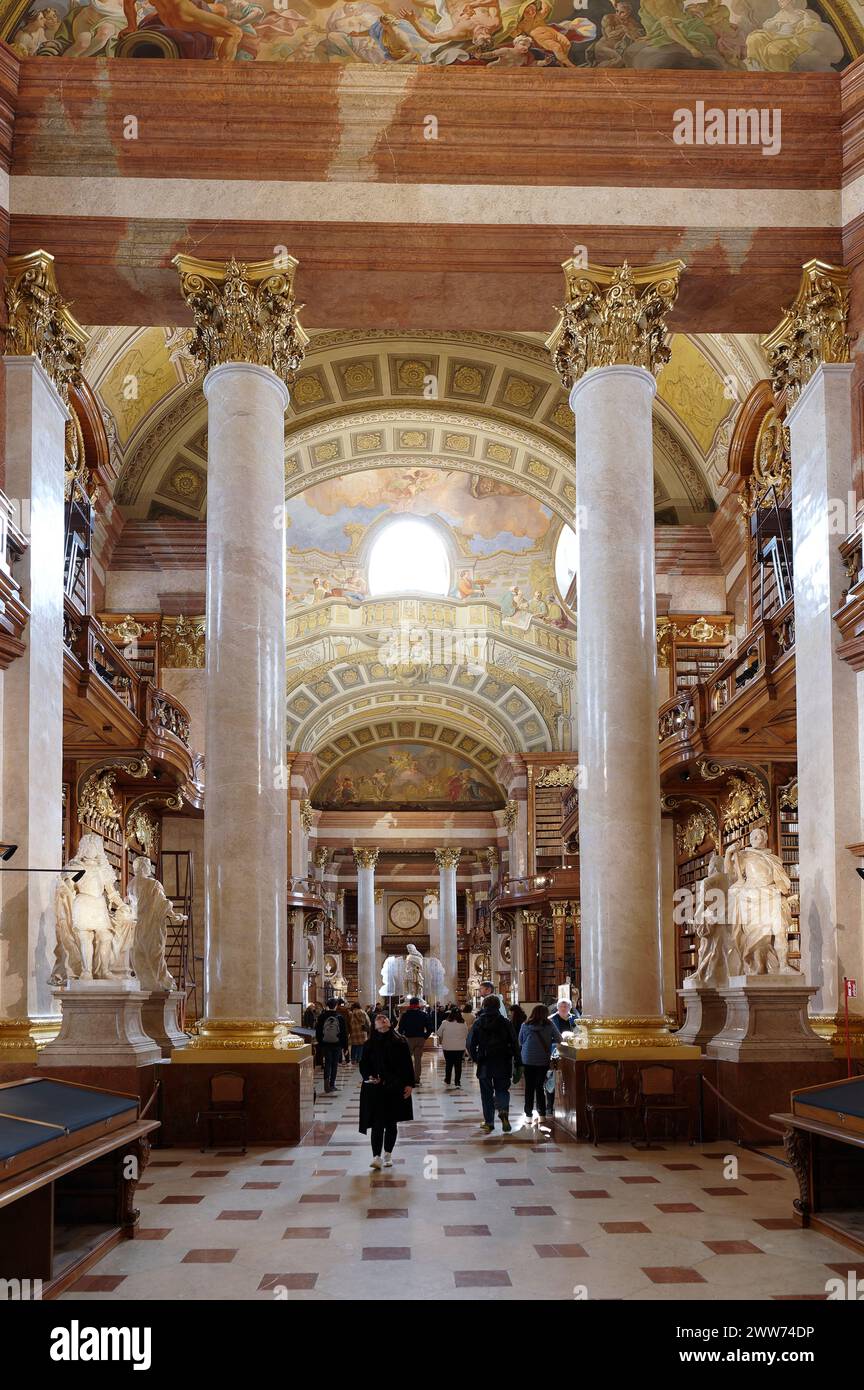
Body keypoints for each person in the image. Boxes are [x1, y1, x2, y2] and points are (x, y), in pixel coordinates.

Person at [358, 1012, 415, 1170]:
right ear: (374, 1025)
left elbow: (407, 1065)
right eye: (378, 1019)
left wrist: (409, 1084)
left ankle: (388, 1154)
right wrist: (369, 1076)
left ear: (389, 1023)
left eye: (384, 1018)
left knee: (391, 1123)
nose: (382, 1020)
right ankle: (376, 1156)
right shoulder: (369, 1044)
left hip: (395, 1087)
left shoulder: (400, 1041)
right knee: (377, 1124)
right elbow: (364, 1064)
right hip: (375, 1088)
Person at [467, 995, 519, 1134]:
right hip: (503, 1061)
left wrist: (476, 1058)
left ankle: (489, 1122)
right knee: (502, 1090)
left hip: (485, 1061)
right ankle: (503, 1111)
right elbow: (514, 1043)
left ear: (484, 1006)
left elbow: (470, 1043)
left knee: (486, 1093)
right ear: (498, 1006)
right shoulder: (506, 1022)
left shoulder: (478, 1023)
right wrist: (518, 1062)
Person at [518, 1004, 557, 1123]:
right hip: (542, 1060)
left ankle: (528, 1115)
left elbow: (520, 1041)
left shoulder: (525, 1025)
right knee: (540, 1087)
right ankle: (542, 1115)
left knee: (529, 1087)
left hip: (528, 1060)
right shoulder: (550, 1025)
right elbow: (559, 1038)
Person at [396, 996, 433, 1086]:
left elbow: (400, 1029)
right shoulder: (423, 1015)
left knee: (407, 1060)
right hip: (420, 1039)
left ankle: (407, 1078)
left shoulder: (405, 1015)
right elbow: (430, 1028)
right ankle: (416, 1079)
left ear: (410, 1004)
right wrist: (424, 1036)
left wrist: (403, 1035)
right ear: (418, 1004)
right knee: (418, 1060)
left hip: (409, 1039)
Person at [315, 999, 348, 1093]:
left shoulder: (322, 1016)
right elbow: (343, 1033)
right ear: (336, 1005)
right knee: (334, 1064)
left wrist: (320, 1043)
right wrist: (345, 1047)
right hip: (337, 1044)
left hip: (325, 1044)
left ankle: (326, 1084)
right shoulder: (340, 1017)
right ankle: (332, 1085)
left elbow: (318, 1031)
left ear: (327, 1005)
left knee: (327, 1064)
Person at [438, 1006, 469, 1088]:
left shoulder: (445, 1022)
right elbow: (466, 1034)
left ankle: (447, 1080)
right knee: (458, 1065)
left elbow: (438, 1033)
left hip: (447, 1047)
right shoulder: (463, 1023)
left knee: (449, 1064)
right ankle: (457, 1082)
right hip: (460, 1047)